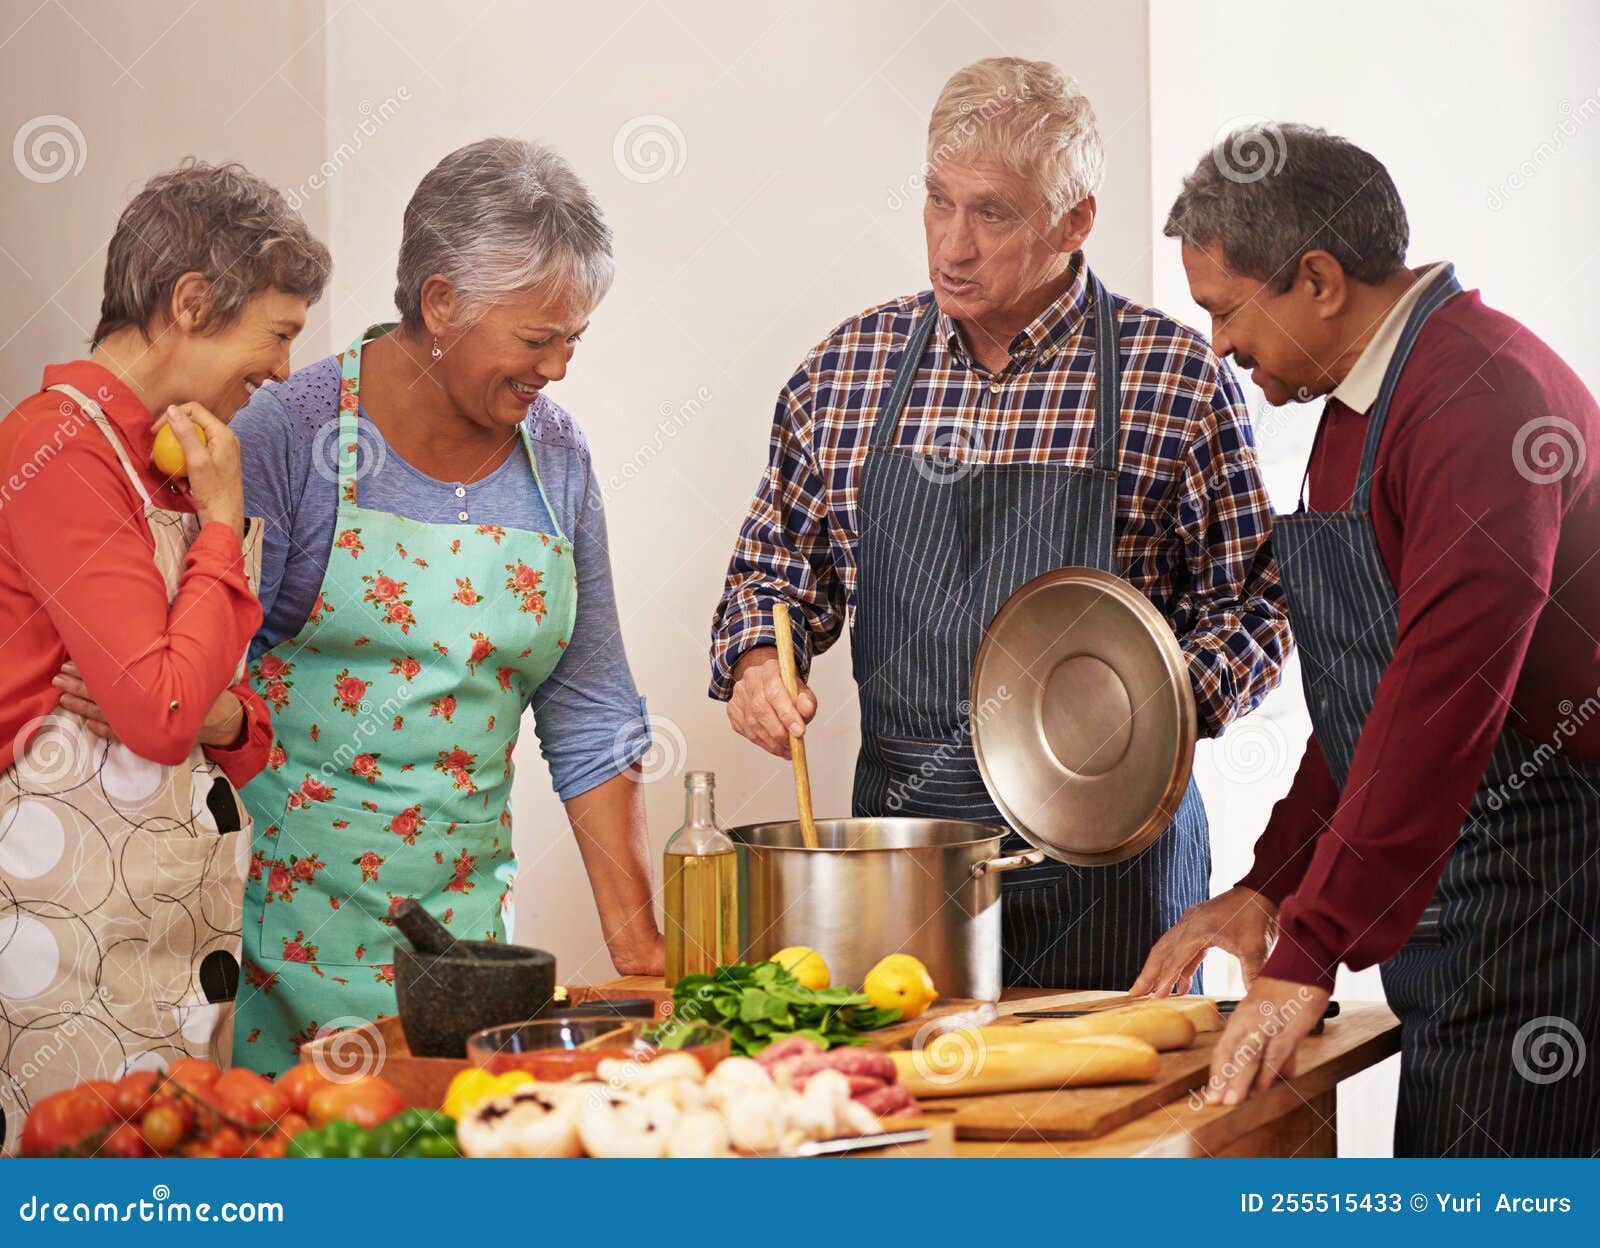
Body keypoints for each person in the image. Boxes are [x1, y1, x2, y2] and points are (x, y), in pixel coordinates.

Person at [709, 59, 1289, 989]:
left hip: (1114, 865)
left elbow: (1256, 606)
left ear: (1075, 219)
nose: (952, 245)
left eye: (993, 213)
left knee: (1112, 1128)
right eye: (938, 201)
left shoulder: (1176, 379)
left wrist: (1149, 718)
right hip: (905, 858)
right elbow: (773, 572)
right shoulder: (846, 370)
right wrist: (756, 662)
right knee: (911, 1124)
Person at [1134, 123, 1600, 1156]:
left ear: (1317, 280)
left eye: (1222, 310)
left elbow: (1441, 702)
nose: (1216, 345)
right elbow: (1368, 697)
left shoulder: (1479, 399)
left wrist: (1309, 953)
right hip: (1460, 898)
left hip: (1548, 901)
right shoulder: (1356, 409)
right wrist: (1271, 884)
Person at [227, 139, 662, 1076]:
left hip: (468, 969)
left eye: (574, 340)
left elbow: (588, 714)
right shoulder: (287, 439)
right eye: (537, 340)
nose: (559, 369)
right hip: (288, 959)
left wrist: (643, 962)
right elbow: (197, 692)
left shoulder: (557, 456)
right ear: (440, 304)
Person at [0, 161, 328, 1149]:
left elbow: (228, 719)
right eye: (276, 333)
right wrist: (224, 526)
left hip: (174, 930)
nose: (279, 370)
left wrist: (215, 712)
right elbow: (159, 714)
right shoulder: (54, 449)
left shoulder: (172, 462)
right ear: (191, 303)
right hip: (68, 933)